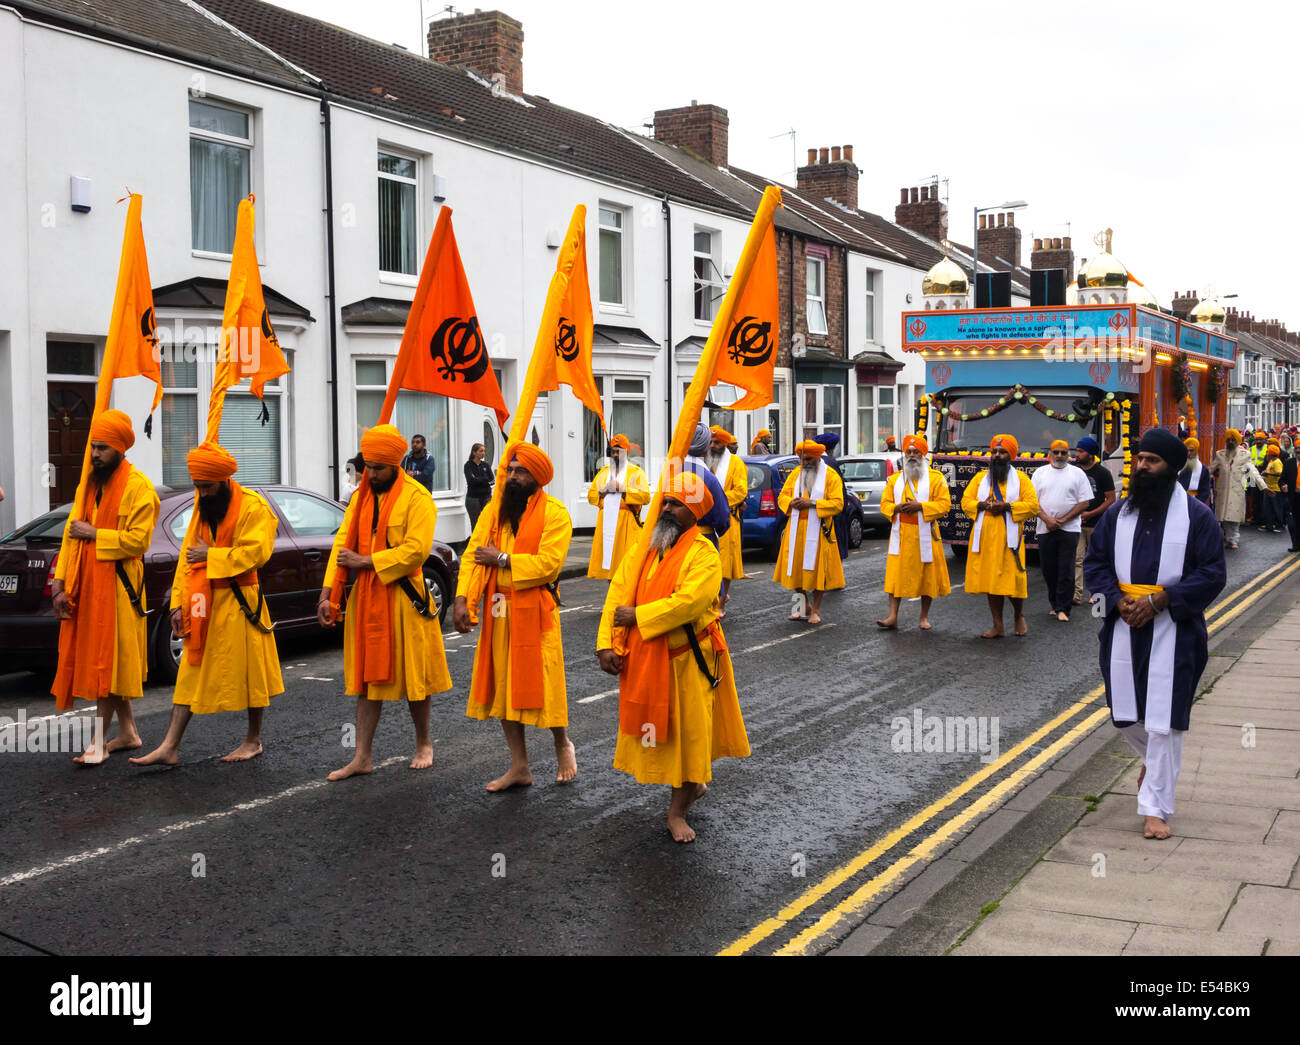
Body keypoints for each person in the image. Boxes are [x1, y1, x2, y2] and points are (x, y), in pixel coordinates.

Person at [1084, 429, 1226, 840]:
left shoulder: (1198, 517)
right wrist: (1114, 600)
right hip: (1122, 625)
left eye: (1151, 461)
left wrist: (1162, 601)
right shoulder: (1118, 513)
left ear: (1172, 467)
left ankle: (1154, 808)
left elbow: (1213, 574)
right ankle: (1154, 765)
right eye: (1140, 459)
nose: (1142, 467)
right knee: (1125, 713)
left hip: (1175, 632)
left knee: (1164, 720)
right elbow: (1095, 563)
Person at [597, 472, 750, 843]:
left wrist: (639, 617)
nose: (666, 508)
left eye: (676, 503)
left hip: (689, 661)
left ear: (693, 513)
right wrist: (605, 643)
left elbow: (690, 603)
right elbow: (618, 590)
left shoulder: (704, 553)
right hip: (648, 660)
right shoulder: (644, 546)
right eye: (665, 501)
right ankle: (690, 787)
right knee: (665, 740)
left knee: (690, 738)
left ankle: (677, 812)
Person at [131, 443, 284, 766]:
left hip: (241, 603)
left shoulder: (255, 508)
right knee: (189, 671)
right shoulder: (204, 508)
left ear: (224, 481)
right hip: (202, 603)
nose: (200, 493)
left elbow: (256, 554)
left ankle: (253, 739)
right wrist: (176, 604)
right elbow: (187, 558)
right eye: (197, 486)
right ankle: (170, 746)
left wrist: (211, 556)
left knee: (252, 675)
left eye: (206, 486)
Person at [320, 424, 452, 781]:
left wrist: (367, 562)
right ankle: (362, 756)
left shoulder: (417, 497)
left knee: (415, 679)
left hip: (404, 599)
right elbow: (342, 547)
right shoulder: (361, 495)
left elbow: (416, 551)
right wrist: (328, 592)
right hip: (365, 598)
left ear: (396, 464)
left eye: (378, 469)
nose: (371, 475)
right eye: (368, 468)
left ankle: (424, 743)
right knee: (365, 679)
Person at [454, 442, 576, 791]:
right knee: (504, 687)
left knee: (547, 685)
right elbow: (473, 556)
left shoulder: (556, 514)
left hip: (535, 611)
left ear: (536, 478)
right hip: (498, 610)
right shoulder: (495, 513)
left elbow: (548, 566)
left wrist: (503, 559)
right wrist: (463, 597)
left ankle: (561, 744)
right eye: (511, 470)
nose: (512, 477)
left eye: (521, 472)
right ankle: (519, 766)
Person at [50, 410, 160, 763]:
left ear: (120, 450)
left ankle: (98, 744)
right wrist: (59, 585)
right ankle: (127, 733)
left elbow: (138, 542)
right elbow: (71, 540)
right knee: (112, 665)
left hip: (119, 590)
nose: (94, 454)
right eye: (92, 447)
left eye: (101, 448)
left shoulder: (138, 488)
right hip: (87, 588)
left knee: (107, 666)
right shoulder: (88, 486)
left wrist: (95, 534)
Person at [960, 434, 1040, 638]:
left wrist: (1007, 506)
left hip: (1009, 539)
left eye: (1002, 451)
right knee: (991, 582)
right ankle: (997, 625)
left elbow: (1032, 506)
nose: (997, 455)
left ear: (1010, 455)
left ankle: (1018, 615)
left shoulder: (1021, 480)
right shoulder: (980, 479)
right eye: (994, 451)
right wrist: (981, 505)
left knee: (1013, 580)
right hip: (985, 537)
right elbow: (965, 501)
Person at [875, 434, 950, 631]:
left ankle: (924, 617)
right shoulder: (894, 480)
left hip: (925, 534)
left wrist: (920, 506)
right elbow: (885, 504)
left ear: (923, 455)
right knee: (895, 577)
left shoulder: (936, 478)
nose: (911, 455)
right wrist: (897, 508)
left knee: (927, 577)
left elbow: (944, 505)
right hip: (901, 535)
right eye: (908, 451)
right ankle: (892, 616)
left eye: (916, 452)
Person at [773, 440, 844, 625]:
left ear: (818, 458)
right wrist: (791, 502)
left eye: (809, 460)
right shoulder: (796, 474)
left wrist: (811, 503)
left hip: (819, 529)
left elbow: (838, 503)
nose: (805, 463)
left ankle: (816, 610)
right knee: (794, 567)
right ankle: (801, 606)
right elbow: (782, 496)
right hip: (796, 528)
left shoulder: (831, 476)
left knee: (817, 571)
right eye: (802, 460)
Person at [1032, 440, 1093, 622]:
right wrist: (1048, 520)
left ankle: (1063, 608)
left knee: (1066, 568)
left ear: (1069, 454)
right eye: (1056, 452)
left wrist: (1063, 520)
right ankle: (1054, 604)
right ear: (1050, 453)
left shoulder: (1077, 473)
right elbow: (1032, 502)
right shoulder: (1040, 473)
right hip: (1045, 528)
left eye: (1063, 453)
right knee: (1049, 569)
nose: (1059, 456)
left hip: (1069, 529)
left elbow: (1085, 502)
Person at [586, 434, 650, 580]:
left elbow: (645, 497)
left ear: (626, 452)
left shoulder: (636, 472)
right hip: (606, 525)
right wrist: (603, 491)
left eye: (619, 451)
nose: (615, 455)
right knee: (610, 571)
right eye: (613, 451)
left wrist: (623, 489)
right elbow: (591, 496)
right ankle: (613, 600)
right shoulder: (603, 473)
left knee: (626, 571)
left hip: (626, 526)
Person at [706, 425, 748, 609]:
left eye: (716, 442)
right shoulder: (705, 461)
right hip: (706, 519)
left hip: (728, 518)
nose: (712, 445)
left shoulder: (736, 463)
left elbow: (740, 491)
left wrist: (717, 499)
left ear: (724, 444)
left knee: (725, 563)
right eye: (710, 442)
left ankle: (721, 603)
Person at [1073, 436, 1116, 608]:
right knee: (1077, 559)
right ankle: (1076, 594)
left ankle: (1096, 593)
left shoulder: (1102, 473)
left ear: (1091, 454)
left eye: (1081, 451)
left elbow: (1111, 499)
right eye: (1077, 450)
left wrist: (1091, 513)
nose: (1077, 454)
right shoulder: (1074, 471)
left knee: (1096, 560)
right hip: (1076, 523)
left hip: (1096, 523)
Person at [1209, 429, 1265, 549]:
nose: (1230, 442)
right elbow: (1210, 469)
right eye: (1228, 439)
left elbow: (1253, 472)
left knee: (1233, 517)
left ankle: (1233, 540)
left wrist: (1263, 487)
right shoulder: (1220, 454)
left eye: (1233, 440)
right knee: (1223, 517)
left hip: (1236, 491)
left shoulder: (1245, 455)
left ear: (1237, 441)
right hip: (1223, 491)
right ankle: (1226, 539)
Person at [682, 423, 732, 551]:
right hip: (702, 541)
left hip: (675, 540)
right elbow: (722, 517)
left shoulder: (671, 471)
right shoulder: (708, 478)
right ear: (705, 447)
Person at [463, 442, 494, 530]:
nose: (483, 453)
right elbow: (471, 481)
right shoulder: (468, 465)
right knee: (475, 524)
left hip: (487, 497)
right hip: (473, 498)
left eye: (484, 451)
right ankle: (476, 543)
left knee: (489, 522)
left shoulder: (486, 465)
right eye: (481, 451)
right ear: (474, 452)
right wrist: (484, 479)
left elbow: (492, 481)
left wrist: (478, 479)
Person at [1176, 437, 1212, 506]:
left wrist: (1196, 504)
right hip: (1177, 501)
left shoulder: (1203, 469)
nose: (1189, 453)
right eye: (1187, 451)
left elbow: (1205, 492)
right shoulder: (1177, 466)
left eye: (1191, 450)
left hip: (1194, 503)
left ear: (1196, 451)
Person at [1260, 443, 1284, 533]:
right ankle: (1269, 525)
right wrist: (1265, 472)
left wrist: (1268, 474)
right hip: (1268, 488)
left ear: (1271, 454)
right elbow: (1270, 471)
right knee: (1267, 508)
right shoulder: (1271, 461)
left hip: (1275, 489)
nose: (1266, 454)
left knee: (1276, 508)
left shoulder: (1277, 462)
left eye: (1268, 452)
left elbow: (1279, 473)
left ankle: (1278, 525)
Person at [1281, 448, 1300, 552]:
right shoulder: (1289, 462)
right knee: (1293, 523)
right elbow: (1282, 479)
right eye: (1296, 448)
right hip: (1293, 496)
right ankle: (1296, 544)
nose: (1298, 450)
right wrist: (1283, 485)